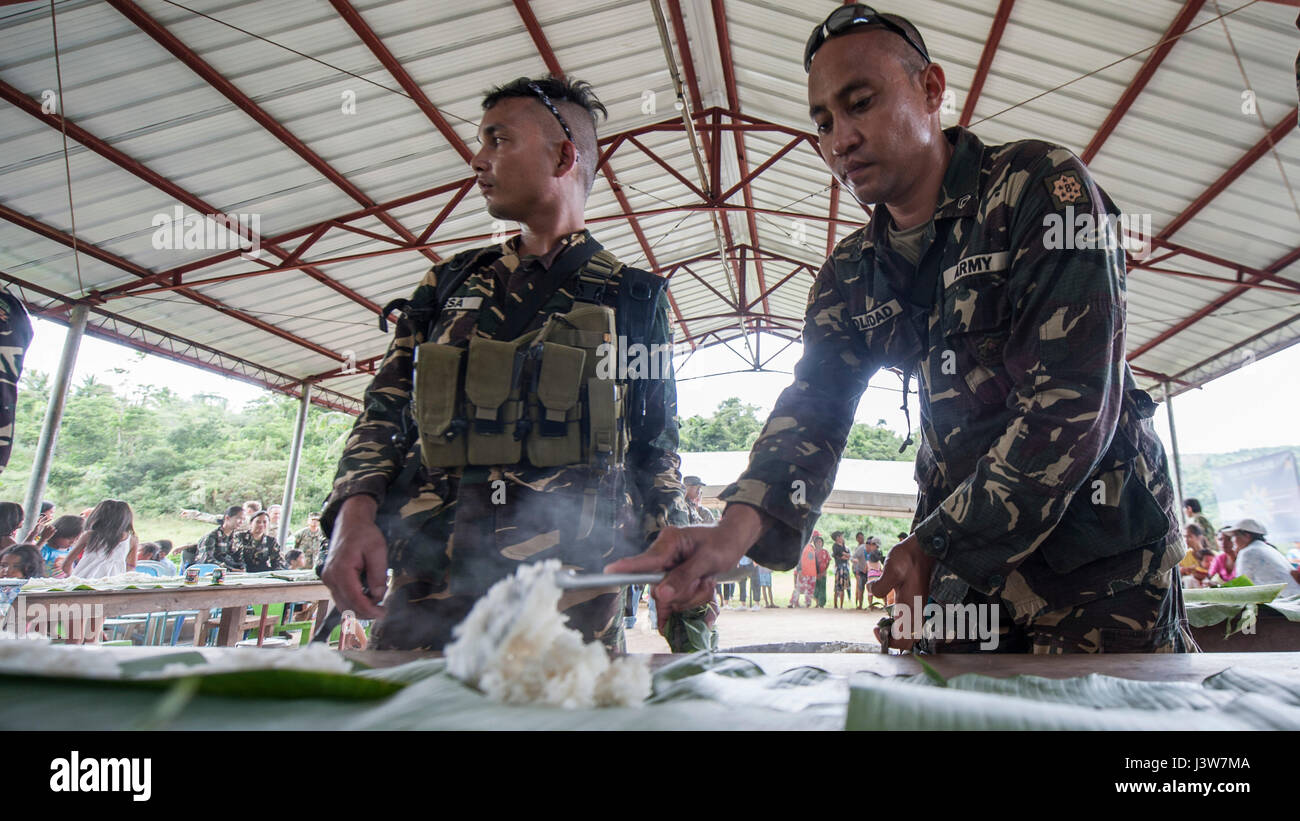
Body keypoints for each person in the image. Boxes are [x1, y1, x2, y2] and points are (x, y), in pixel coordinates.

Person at [610, 7, 1185, 655]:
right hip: (966, 583)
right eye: (823, 122)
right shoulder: (853, 272)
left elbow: (1072, 403)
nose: (840, 139)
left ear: (932, 89)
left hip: (1099, 574)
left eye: (861, 104)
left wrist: (939, 542)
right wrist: (730, 532)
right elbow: (813, 409)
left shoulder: (1036, 190)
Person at [320, 75, 700, 653]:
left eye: (498, 140)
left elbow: (653, 447)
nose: (477, 159)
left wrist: (679, 570)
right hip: (430, 583)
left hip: (572, 594)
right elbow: (386, 411)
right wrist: (352, 513)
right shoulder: (448, 283)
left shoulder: (633, 297)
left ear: (564, 156)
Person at [1224, 518, 1300, 596]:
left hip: (1283, 602)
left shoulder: (1248, 552)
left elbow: (1242, 588)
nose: (1232, 540)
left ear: (1247, 535)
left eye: (1234, 536)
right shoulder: (1266, 548)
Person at [63, 500, 138, 579]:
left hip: (84, 581)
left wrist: (72, 577)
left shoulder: (89, 535)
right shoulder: (132, 540)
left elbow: (66, 564)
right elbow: (131, 566)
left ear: (97, 515)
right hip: (114, 583)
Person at [790, 536, 818, 608]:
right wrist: (799, 570)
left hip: (812, 572)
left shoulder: (812, 547)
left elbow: (814, 561)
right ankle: (793, 603)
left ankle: (808, 603)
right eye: (815, 537)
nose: (815, 539)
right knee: (799, 588)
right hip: (803, 572)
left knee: (810, 589)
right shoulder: (802, 546)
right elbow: (798, 559)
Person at [831, 531, 851, 608]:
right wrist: (846, 555)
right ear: (837, 538)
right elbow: (843, 555)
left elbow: (847, 556)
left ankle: (841, 605)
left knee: (843, 587)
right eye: (841, 536)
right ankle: (835, 605)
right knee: (837, 587)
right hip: (840, 568)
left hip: (844, 567)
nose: (842, 538)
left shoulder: (844, 546)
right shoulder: (835, 546)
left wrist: (845, 555)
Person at [851, 533, 871, 608]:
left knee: (869, 589)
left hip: (869, 572)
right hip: (861, 571)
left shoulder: (873, 550)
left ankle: (870, 605)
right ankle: (860, 605)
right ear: (867, 545)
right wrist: (856, 570)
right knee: (860, 588)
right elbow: (853, 558)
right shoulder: (860, 549)